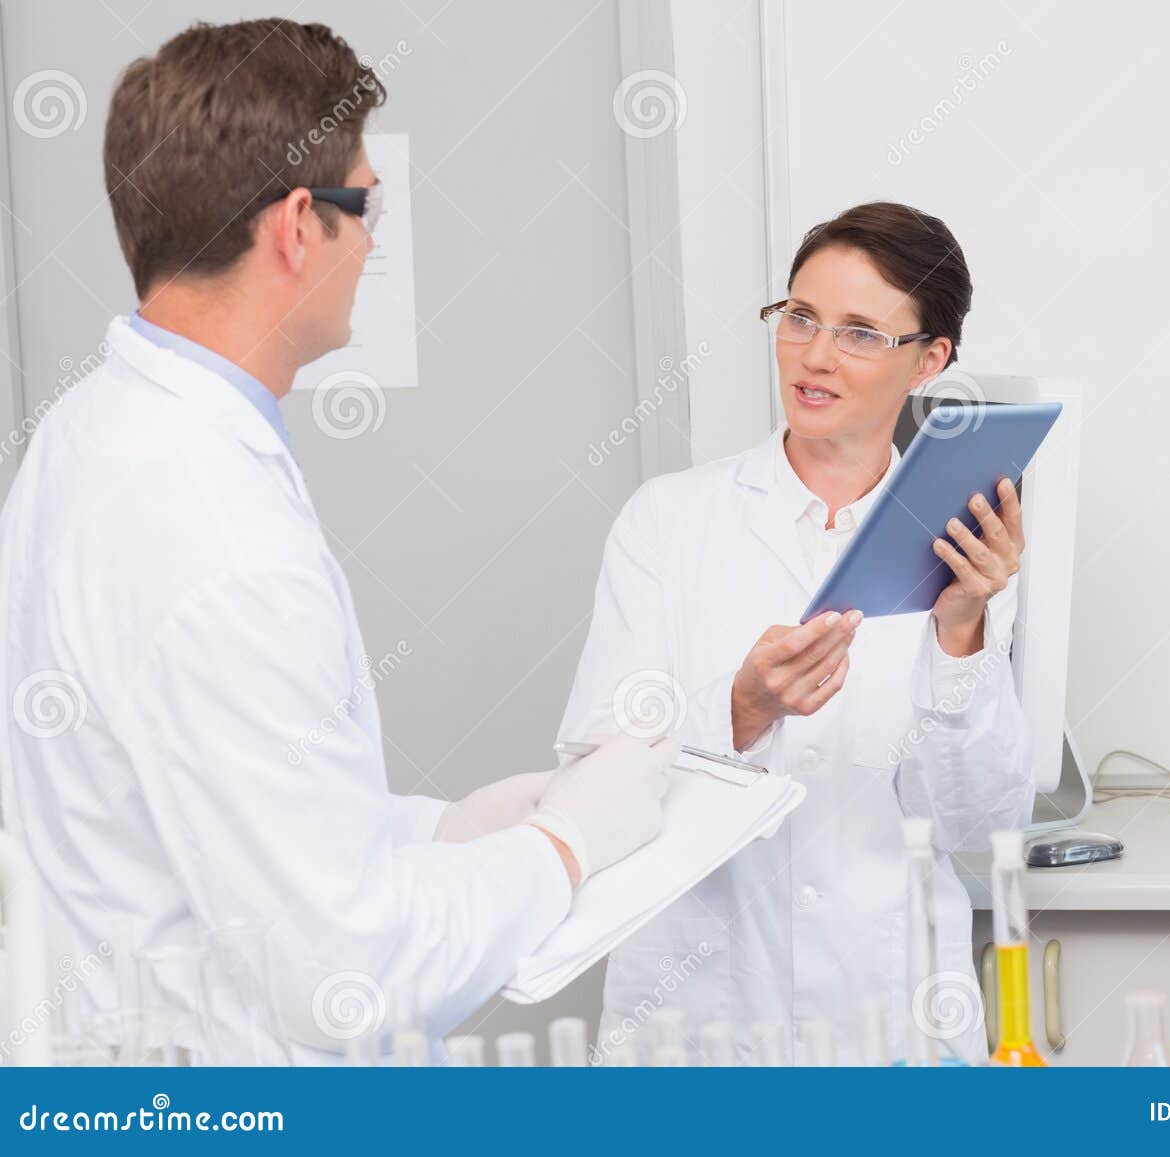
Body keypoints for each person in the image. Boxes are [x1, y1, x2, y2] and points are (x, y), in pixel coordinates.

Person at [0, 19, 672, 1065]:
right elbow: (350, 976)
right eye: (369, 207)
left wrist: (439, 831)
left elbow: (227, 822)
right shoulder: (210, 526)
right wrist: (562, 846)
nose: (373, 247)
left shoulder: (93, 430)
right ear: (300, 226)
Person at [561, 201, 1034, 1064]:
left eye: (860, 332)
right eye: (801, 316)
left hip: (894, 1020)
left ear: (931, 360)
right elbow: (591, 776)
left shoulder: (966, 547)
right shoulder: (669, 523)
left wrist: (962, 632)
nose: (814, 354)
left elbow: (978, 823)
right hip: (701, 1024)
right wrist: (736, 712)